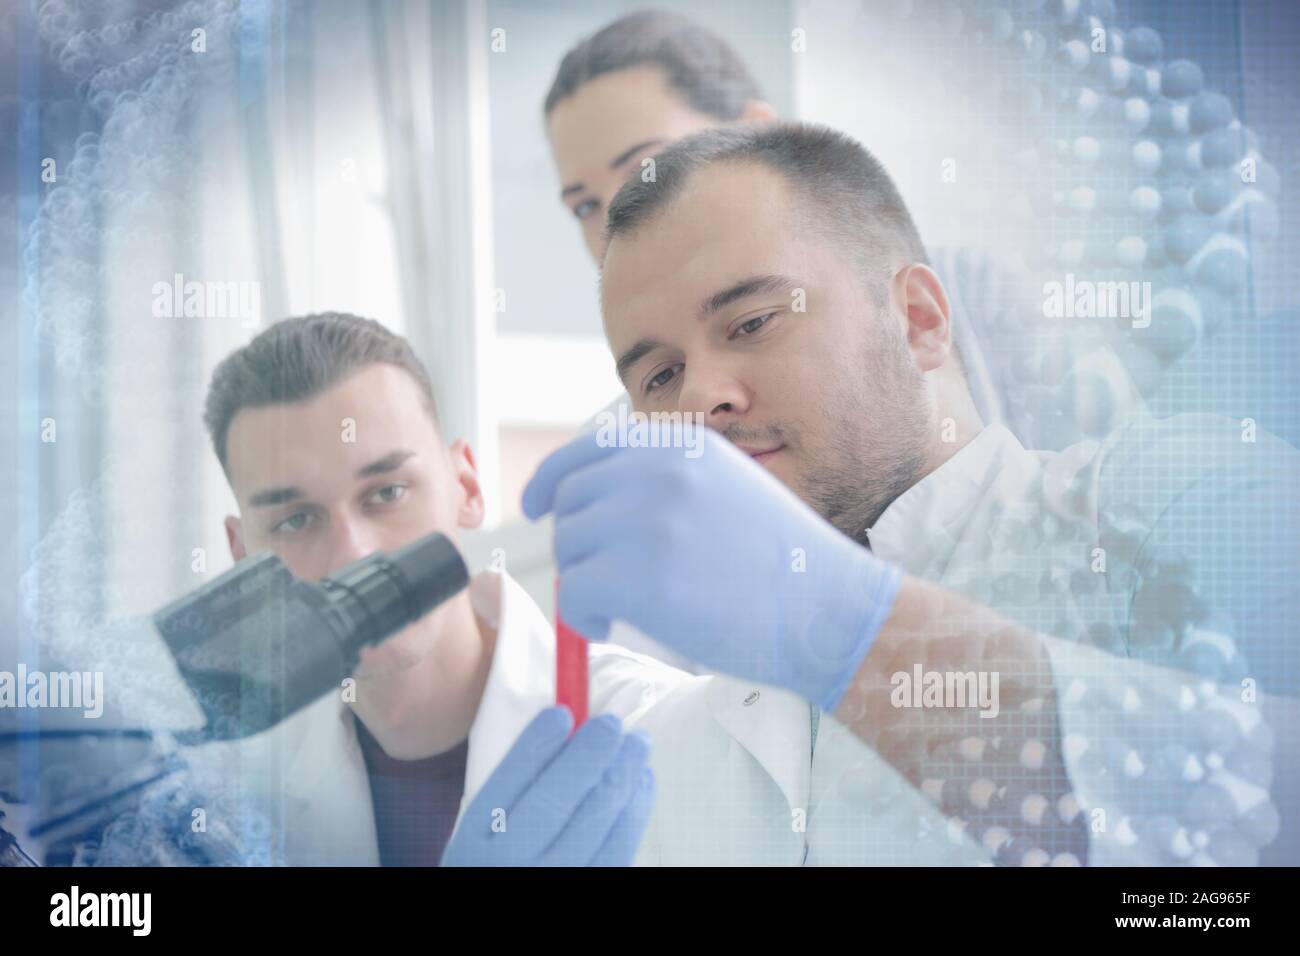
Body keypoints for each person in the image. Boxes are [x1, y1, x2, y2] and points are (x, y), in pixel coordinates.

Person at [523, 122, 1293, 866]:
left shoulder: (1173, 492)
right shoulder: (693, 729)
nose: (701, 401)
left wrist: (852, 634)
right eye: (660, 377)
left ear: (919, 320)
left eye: (753, 322)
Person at [184, 312, 687, 865]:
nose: (355, 554)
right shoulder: (221, 796)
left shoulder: (654, 729)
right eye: (295, 521)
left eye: (388, 491)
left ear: (466, 487)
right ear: (242, 556)